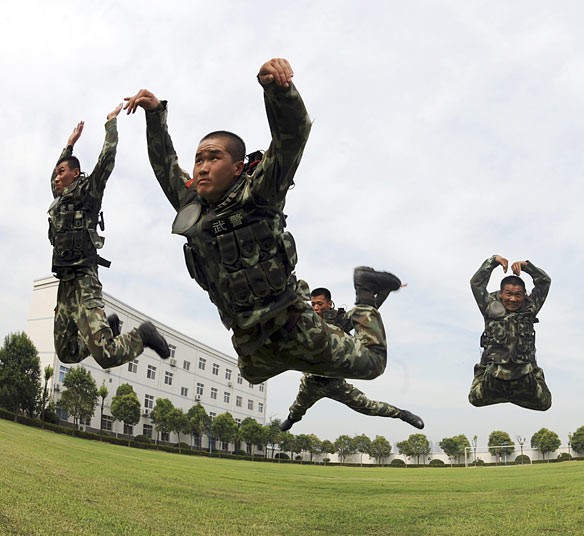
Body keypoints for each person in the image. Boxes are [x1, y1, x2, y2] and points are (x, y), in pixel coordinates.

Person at [124, 58, 403, 384]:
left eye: (214, 157)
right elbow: (164, 163)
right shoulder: (191, 206)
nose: (202, 167)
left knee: (372, 364)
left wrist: (278, 92)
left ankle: (365, 291)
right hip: (251, 346)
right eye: (199, 158)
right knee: (252, 377)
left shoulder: (259, 194)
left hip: (295, 328)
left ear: (238, 167)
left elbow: (291, 137)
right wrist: (155, 115)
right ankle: (327, 328)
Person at [49, 105, 170, 369]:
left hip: (84, 280)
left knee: (106, 356)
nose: (56, 178)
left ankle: (143, 335)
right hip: (65, 286)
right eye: (56, 173)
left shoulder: (88, 193)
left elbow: (106, 159)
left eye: (61, 172)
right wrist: (68, 145)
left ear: (75, 174)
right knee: (67, 353)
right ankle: (111, 327)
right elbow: (52, 179)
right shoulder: (59, 201)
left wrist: (111, 123)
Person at [280, 287, 424, 431]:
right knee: (297, 409)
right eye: (313, 304)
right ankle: (291, 419)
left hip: (335, 382)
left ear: (329, 304)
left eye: (320, 304)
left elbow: (365, 311)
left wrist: (385, 288)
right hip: (311, 382)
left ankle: (402, 414)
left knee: (366, 406)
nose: (316, 308)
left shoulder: (339, 320)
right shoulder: (307, 321)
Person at [469, 255, 552, 411]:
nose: (513, 299)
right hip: (495, 375)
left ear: (524, 295)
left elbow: (544, 282)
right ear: (501, 294)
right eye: (508, 294)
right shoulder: (489, 307)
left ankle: (534, 374)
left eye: (518, 295)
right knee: (474, 399)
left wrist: (526, 266)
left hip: (523, 376)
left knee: (545, 403)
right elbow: (476, 284)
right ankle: (482, 371)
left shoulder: (530, 308)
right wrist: (492, 262)